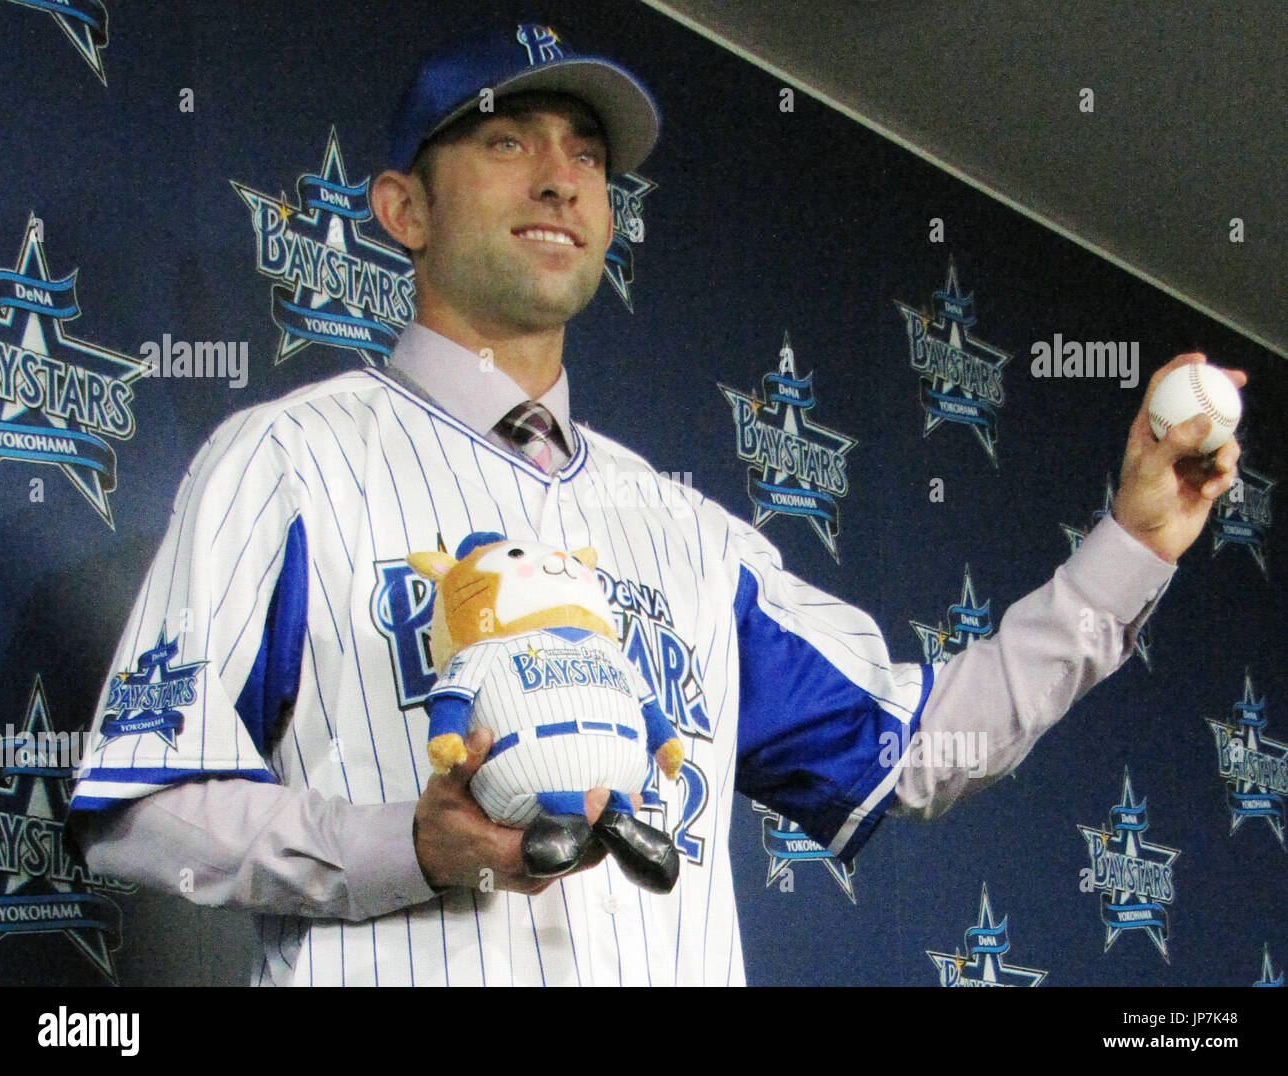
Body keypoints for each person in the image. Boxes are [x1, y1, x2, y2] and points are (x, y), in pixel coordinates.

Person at [69, 22, 1243, 986]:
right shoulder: (285, 462)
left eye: (586, 155)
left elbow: (920, 748)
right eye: (502, 141)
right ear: (400, 209)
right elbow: (143, 802)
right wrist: (399, 846)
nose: (558, 176)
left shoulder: (683, 534)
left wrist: (1131, 546)